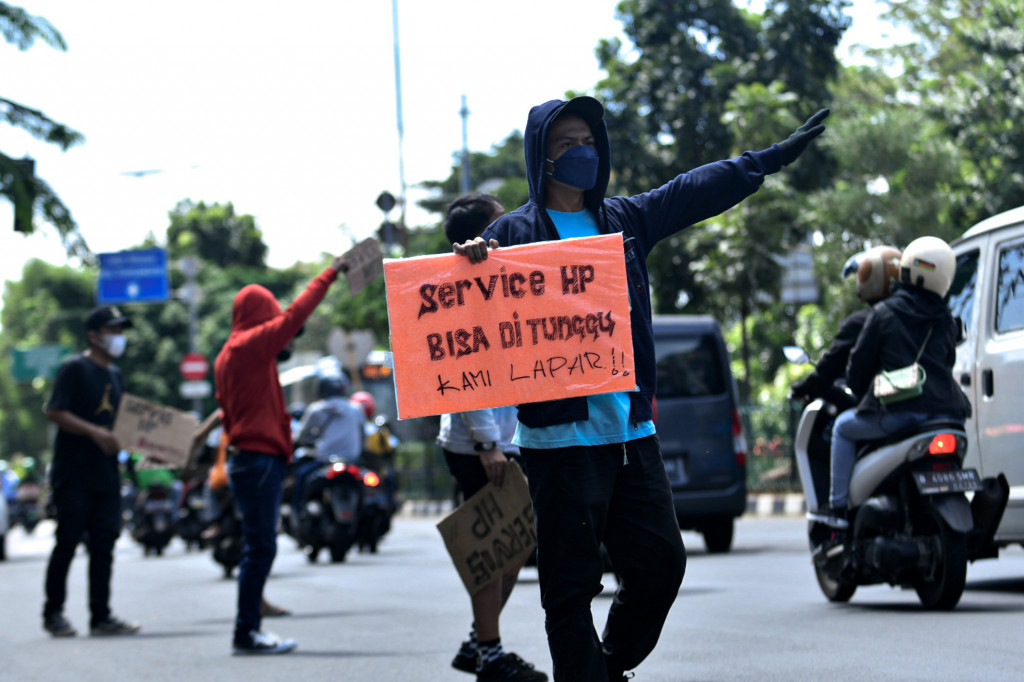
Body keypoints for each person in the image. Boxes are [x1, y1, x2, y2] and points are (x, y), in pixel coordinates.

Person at [455, 96, 828, 681]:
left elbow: (693, 189)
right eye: (566, 144)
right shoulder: (512, 233)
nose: (583, 152)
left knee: (661, 566)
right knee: (569, 589)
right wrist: (473, 262)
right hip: (558, 444)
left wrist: (767, 161)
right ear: (541, 158)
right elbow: (465, 310)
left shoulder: (625, 221)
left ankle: (605, 667)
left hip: (632, 433)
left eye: (589, 141)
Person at [439, 193, 548, 682]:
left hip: (503, 439)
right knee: (496, 548)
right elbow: (466, 372)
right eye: (502, 222)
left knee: (515, 543)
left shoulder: (499, 281)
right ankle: (489, 651)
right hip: (480, 444)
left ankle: (479, 641)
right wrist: (488, 444)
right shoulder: (462, 287)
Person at [215, 254, 348, 655]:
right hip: (256, 460)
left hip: (252, 459)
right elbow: (295, 315)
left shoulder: (230, 355)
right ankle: (246, 631)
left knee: (259, 545)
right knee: (261, 547)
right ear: (261, 315)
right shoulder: (251, 345)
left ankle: (250, 622)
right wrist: (332, 272)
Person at [822, 236, 971, 529]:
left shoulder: (883, 313)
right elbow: (947, 362)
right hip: (947, 414)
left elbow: (857, 369)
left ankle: (838, 509)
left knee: (841, 427)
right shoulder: (946, 318)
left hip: (899, 414)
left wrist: (861, 389)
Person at [42, 306, 141, 638]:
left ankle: (101, 616)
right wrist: (94, 432)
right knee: (67, 542)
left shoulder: (115, 375)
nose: (118, 337)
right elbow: (55, 411)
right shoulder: (74, 368)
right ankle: (53, 612)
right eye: (113, 330)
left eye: (121, 330)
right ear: (94, 335)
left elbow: (123, 423)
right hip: (73, 474)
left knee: (104, 546)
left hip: (106, 475)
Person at [791, 245, 903, 401]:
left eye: (864, 272)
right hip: (931, 403)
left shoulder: (867, 319)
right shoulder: (921, 314)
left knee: (842, 426)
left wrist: (806, 386)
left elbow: (838, 366)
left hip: (882, 406)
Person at [291, 372, 366, 518]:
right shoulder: (357, 409)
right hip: (353, 460)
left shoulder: (317, 409)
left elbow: (301, 436)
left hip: (324, 461)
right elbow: (363, 435)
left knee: (300, 476)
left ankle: (297, 513)